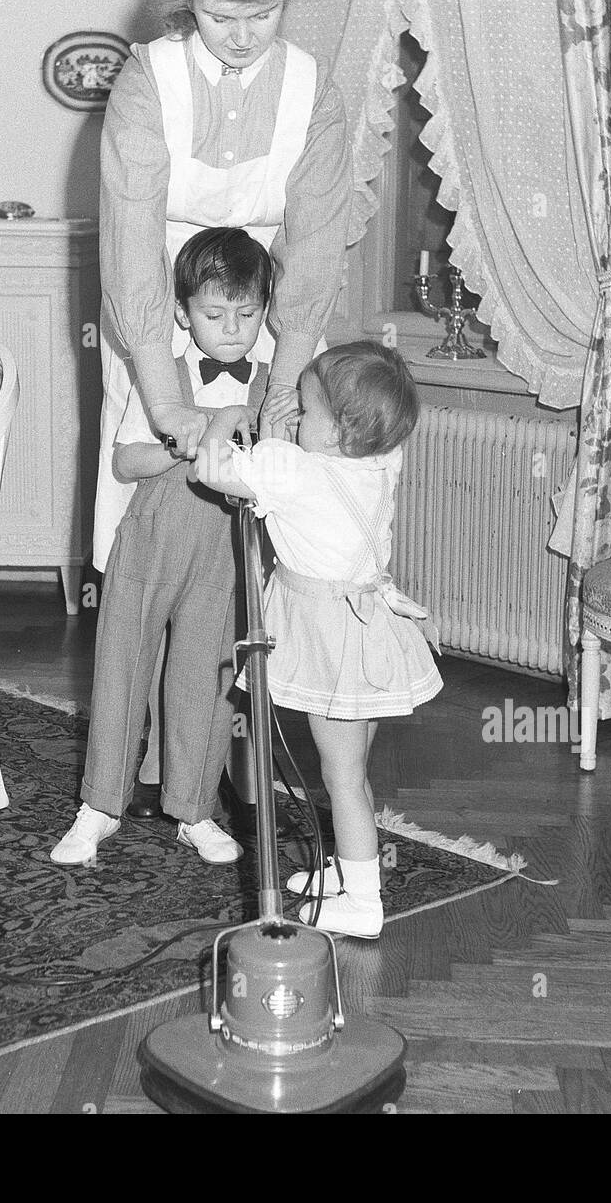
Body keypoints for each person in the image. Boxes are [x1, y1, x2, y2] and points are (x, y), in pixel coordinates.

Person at [94, 0, 351, 574]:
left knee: (277, 529)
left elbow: (316, 248)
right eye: (220, 18)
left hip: (273, 312)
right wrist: (168, 404)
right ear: (190, 2)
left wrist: (283, 394)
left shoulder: (312, 90)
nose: (242, 37)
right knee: (155, 520)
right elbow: (130, 247)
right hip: (159, 314)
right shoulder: (148, 80)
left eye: (261, 16)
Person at [191, 342, 443, 938]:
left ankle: (363, 903)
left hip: (332, 639)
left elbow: (210, 469)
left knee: (343, 777)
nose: (296, 419)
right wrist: (292, 432)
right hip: (367, 632)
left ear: (341, 431)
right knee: (349, 771)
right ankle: (350, 873)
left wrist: (230, 421)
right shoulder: (381, 463)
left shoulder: (294, 469)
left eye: (306, 412)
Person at [51, 228, 275, 865]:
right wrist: (181, 441)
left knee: (204, 676)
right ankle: (99, 805)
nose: (231, 328)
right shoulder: (160, 377)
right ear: (182, 313)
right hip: (151, 536)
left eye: (247, 313)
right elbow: (123, 460)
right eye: (212, 314)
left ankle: (194, 809)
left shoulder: (271, 387)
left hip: (226, 547)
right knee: (124, 660)